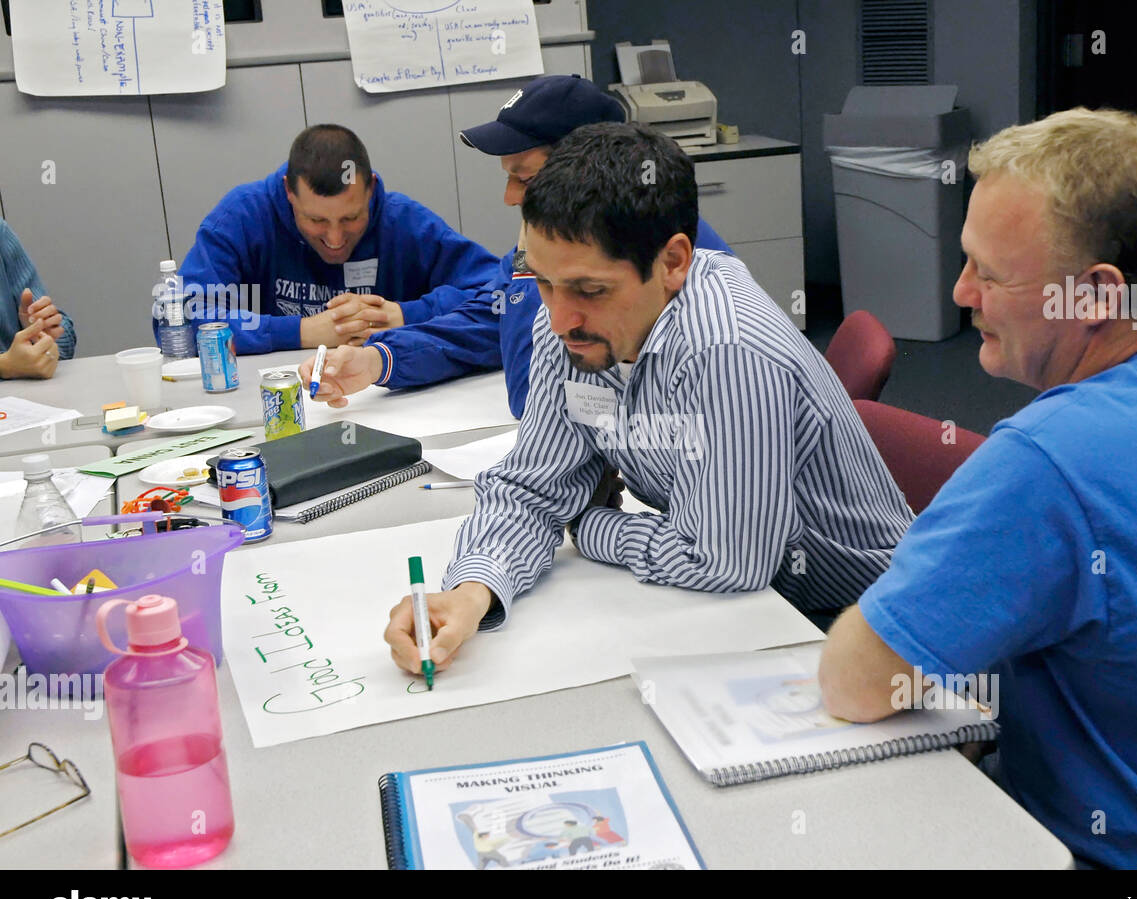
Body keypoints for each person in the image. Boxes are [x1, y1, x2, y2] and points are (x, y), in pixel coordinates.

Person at [817, 108, 1137, 869]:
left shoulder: (1051, 459)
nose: (961, 290)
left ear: (1099, 296)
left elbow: (854, 682)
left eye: (990, 271)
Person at [381, 123, 912, 674]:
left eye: (591, 290)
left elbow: (724, 559)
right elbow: (533, 487)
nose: (559, 318)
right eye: (542, 281)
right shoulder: (571, 324)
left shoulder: (727, 351)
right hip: (744, 609)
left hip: (855, 621)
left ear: (674, 262)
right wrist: (471, 591)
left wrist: (590, 528)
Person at [303, 75, 733, 419]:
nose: (510, 197)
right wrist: (379, 360)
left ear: (584, 170)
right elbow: (490, 318)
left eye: (525, 179)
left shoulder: (645, 253)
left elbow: (530, 396)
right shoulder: (576, 241)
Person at [180, 124, 499, 354]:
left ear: (371, 189)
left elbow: (500, 291)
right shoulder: (243, 218)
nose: (335, 238)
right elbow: (186, 318)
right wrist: (301, 332)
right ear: (289, 192)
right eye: (316, 220)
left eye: (351, 218)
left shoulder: (402, 221)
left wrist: (404, 315)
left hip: (387, 393)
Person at [0, 218, 74, 379]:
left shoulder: (1, 234)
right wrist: (5, 365)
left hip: (25, 399)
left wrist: (41, 334)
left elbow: (63, 336)